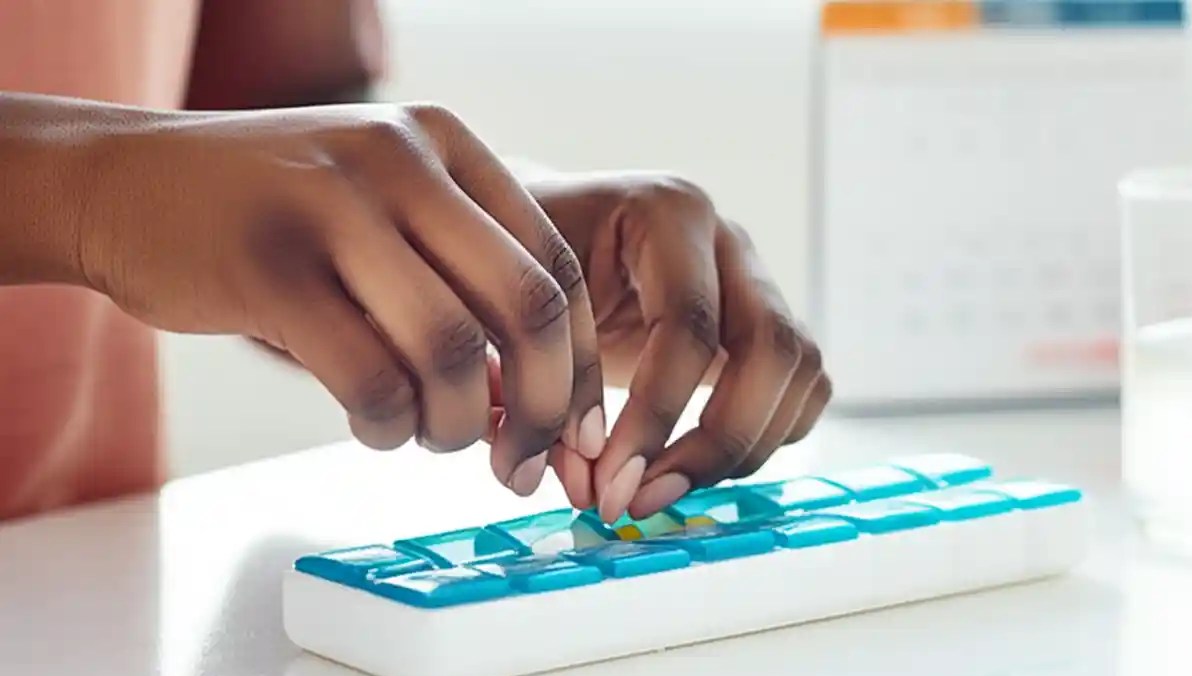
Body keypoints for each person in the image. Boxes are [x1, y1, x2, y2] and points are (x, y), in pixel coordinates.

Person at [0, 0, 831, 523]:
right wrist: (95, 192)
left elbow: (267, 120)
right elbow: (171, 171)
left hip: (88, 571)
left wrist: (484, 232)